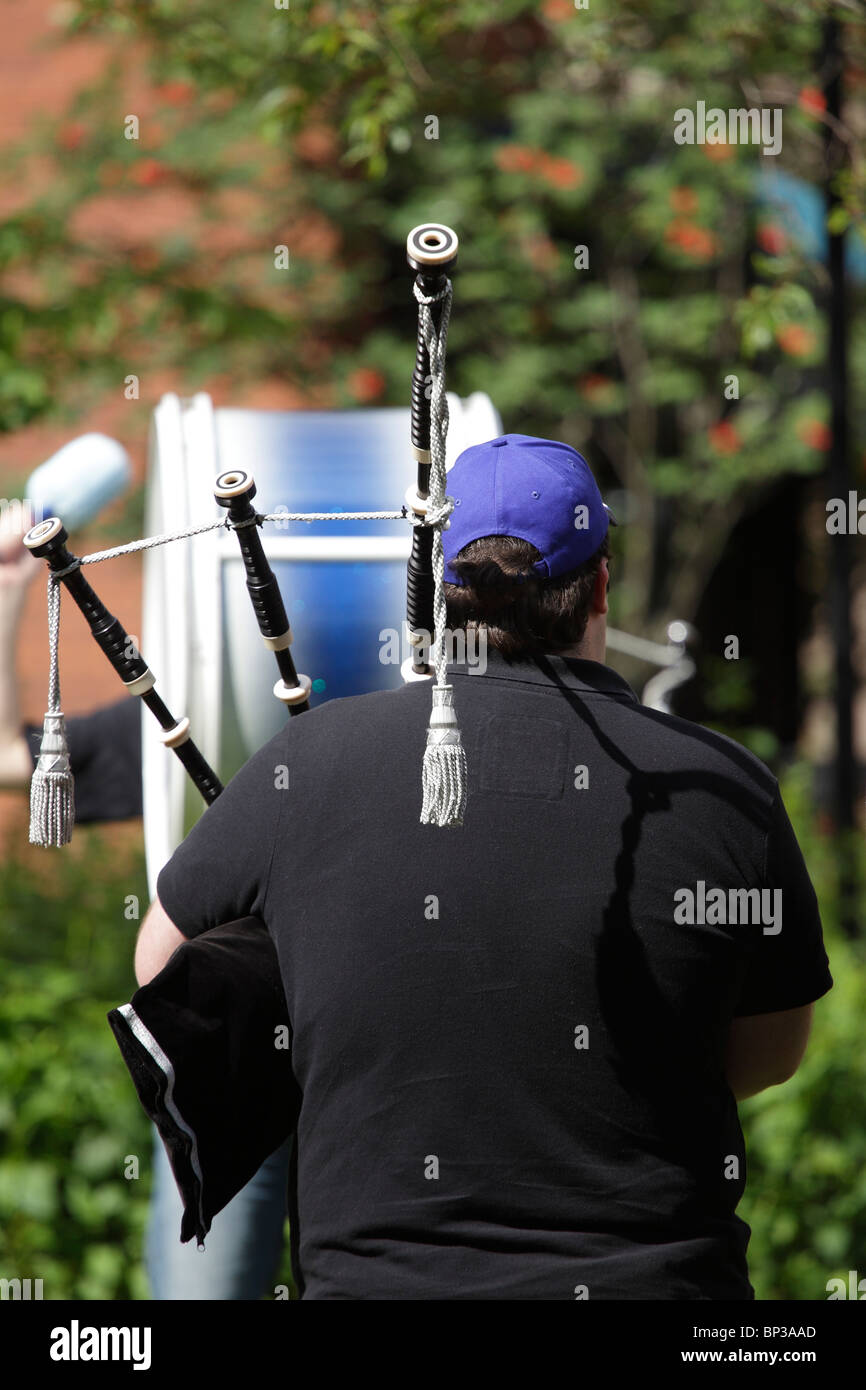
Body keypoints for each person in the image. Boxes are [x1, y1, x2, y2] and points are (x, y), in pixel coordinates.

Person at [134, 433, 832, 1301]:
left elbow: (163, 968)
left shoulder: (307, 761)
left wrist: (326, 1030)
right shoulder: (726, 788)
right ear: (600, 585)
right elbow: (770, 1051)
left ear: (443, 589)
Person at [0, 505, 290, 1299]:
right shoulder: (196, 717)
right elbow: (11, 759)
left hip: (366, 1070)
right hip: (231, 1067)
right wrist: (11, 587)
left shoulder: (389, 727)